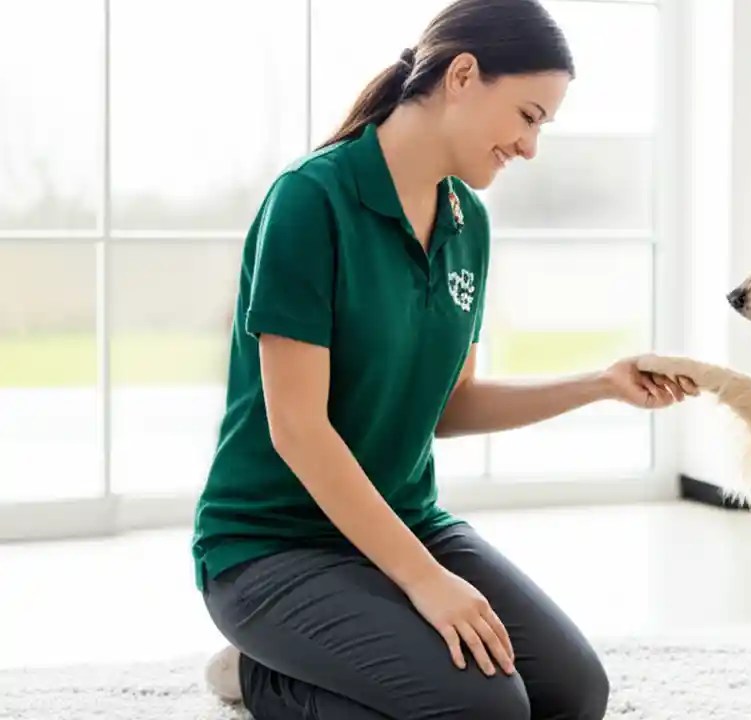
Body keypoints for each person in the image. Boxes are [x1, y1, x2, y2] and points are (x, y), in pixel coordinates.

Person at [191, 1, 694, 718]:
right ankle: (262, 675)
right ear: (463, 75)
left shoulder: (467, 223)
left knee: (572, 694)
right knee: (484, 710)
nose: (529, 147)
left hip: (404, 519)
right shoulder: (310, 202)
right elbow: (296, 429)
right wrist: (425, 581)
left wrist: (601, 384)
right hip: (272, 545)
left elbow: (451, 406)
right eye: (528, 115)